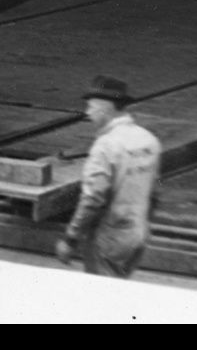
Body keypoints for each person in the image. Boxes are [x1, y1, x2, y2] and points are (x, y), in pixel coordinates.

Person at [54, 75, 160, 278]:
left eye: (91, 107)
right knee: (119, 286)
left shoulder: (105, 146)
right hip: (138, 234)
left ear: (104, 108)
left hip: (110, 238)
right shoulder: (149, 140)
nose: (88, 113)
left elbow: (92, 199)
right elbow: (153, 193)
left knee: (102, 292)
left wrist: (70, 239)